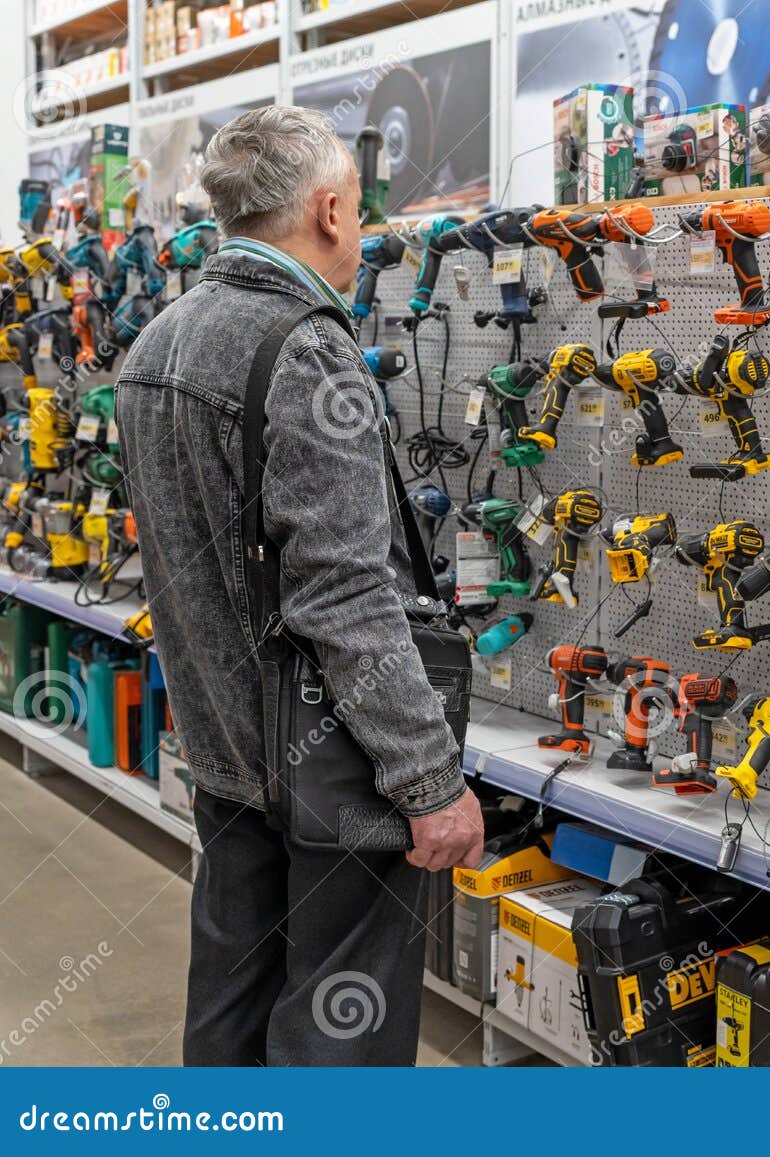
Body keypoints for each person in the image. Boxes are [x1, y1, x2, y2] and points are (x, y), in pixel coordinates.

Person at [115, 106, 485, 1065]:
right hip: (333, 774)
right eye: (358, 213)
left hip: (226, 761)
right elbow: (344, 594)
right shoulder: (309, 350)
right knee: (337, 1048)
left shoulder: (155, 346)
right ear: (326, 209)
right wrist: (430, 779)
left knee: (229, 1017)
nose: (359, 238)